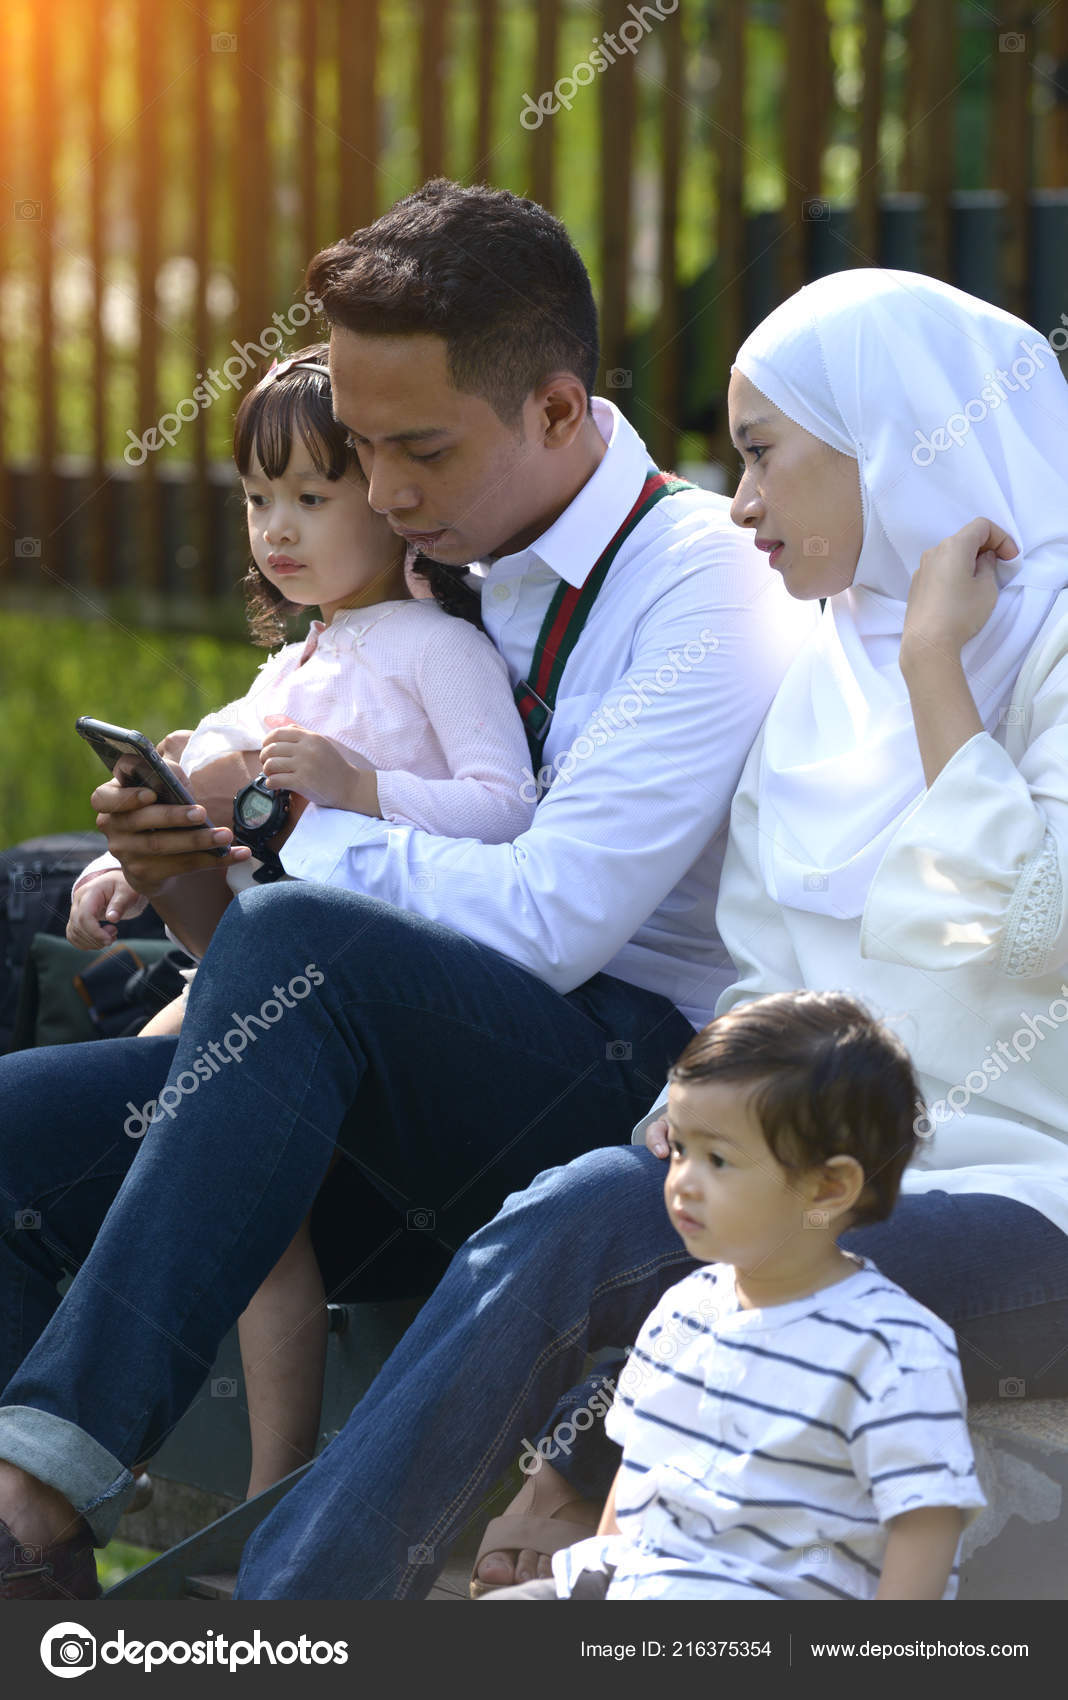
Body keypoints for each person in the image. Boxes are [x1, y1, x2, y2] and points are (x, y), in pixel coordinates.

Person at [0, 179, 812, 1601]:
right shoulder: (450, 559)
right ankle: (40, 1586)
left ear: (556, 411)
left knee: (306, 933)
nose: (378, 494)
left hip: (617, 1072)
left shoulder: (702, 588)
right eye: (362, 448)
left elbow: (554, 921)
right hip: (363, 1057)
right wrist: (190, 845)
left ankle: (42, 1479)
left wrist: (280, 820)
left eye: (418, 450)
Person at [222, 265, 1067, 1603]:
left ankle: (312, 1613)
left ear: (895, 440)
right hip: (829, 1175)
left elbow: (1036, 932)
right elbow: (771, 977)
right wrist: (707, 1102)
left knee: (660, 1247)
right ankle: (334, 1598)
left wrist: (935, 678)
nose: (742, 501)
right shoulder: (826, 672)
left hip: (1030, 1206)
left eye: (765, 454)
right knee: (586, 1206)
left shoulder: (1038, 651)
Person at [67, 342, 535, 1501]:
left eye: (313, 498)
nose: (277, 528)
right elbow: (210, 813)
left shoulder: (441, 649)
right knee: (151, 1143)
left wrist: (361, 785)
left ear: (388, 497)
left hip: (364, 992)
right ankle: (169, 1452)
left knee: (206, 1166)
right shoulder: (287, 666)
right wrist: (126, 858)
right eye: (257, 498)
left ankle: (268, 1474)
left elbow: (509, 812)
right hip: (251, 970)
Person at [484, 992, 987, 1602]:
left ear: (829, 1187)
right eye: (682, 1149)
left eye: (718, 1159)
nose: (682, 1182)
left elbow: (924, 1526)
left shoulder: (893, 1347)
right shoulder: (684, 1307)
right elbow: (639, 1469)